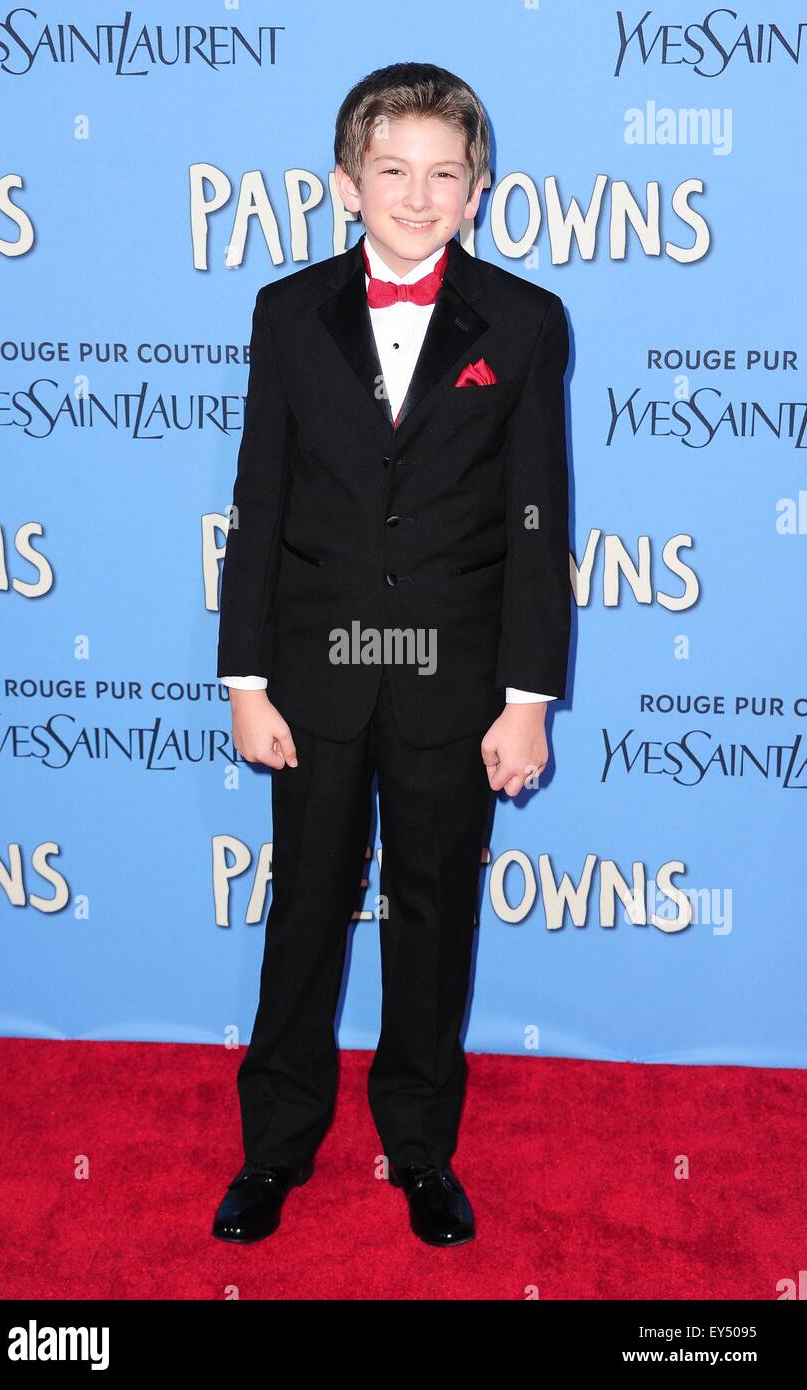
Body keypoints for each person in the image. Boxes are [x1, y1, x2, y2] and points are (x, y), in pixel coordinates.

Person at [212, 61, 571, 1248]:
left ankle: (418, 1149)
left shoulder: (522, 323)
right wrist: (245, 678)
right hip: (311, 680)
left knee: (433, 920)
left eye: (444, 176)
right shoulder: (286, 311)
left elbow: (537, 523)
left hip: (454, 683)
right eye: (393, 172)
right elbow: (259, 503)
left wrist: (526, 699)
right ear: (346, 183)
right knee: (304, 909)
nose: (418, 199)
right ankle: (274, 1149)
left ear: (477, 189)